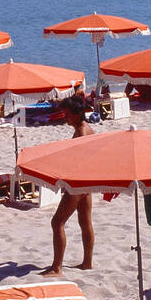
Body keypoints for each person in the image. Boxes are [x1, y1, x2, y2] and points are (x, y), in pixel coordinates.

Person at [41, 95, 95, 276]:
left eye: (68, 114)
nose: (65, 118)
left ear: (78, 113)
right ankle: (87, 263)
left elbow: (76, 163)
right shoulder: (88, 128)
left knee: (57, 222)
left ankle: (57, 267)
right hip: (87, 183)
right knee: (85, 223)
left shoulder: (80, 132)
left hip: (78, 184)